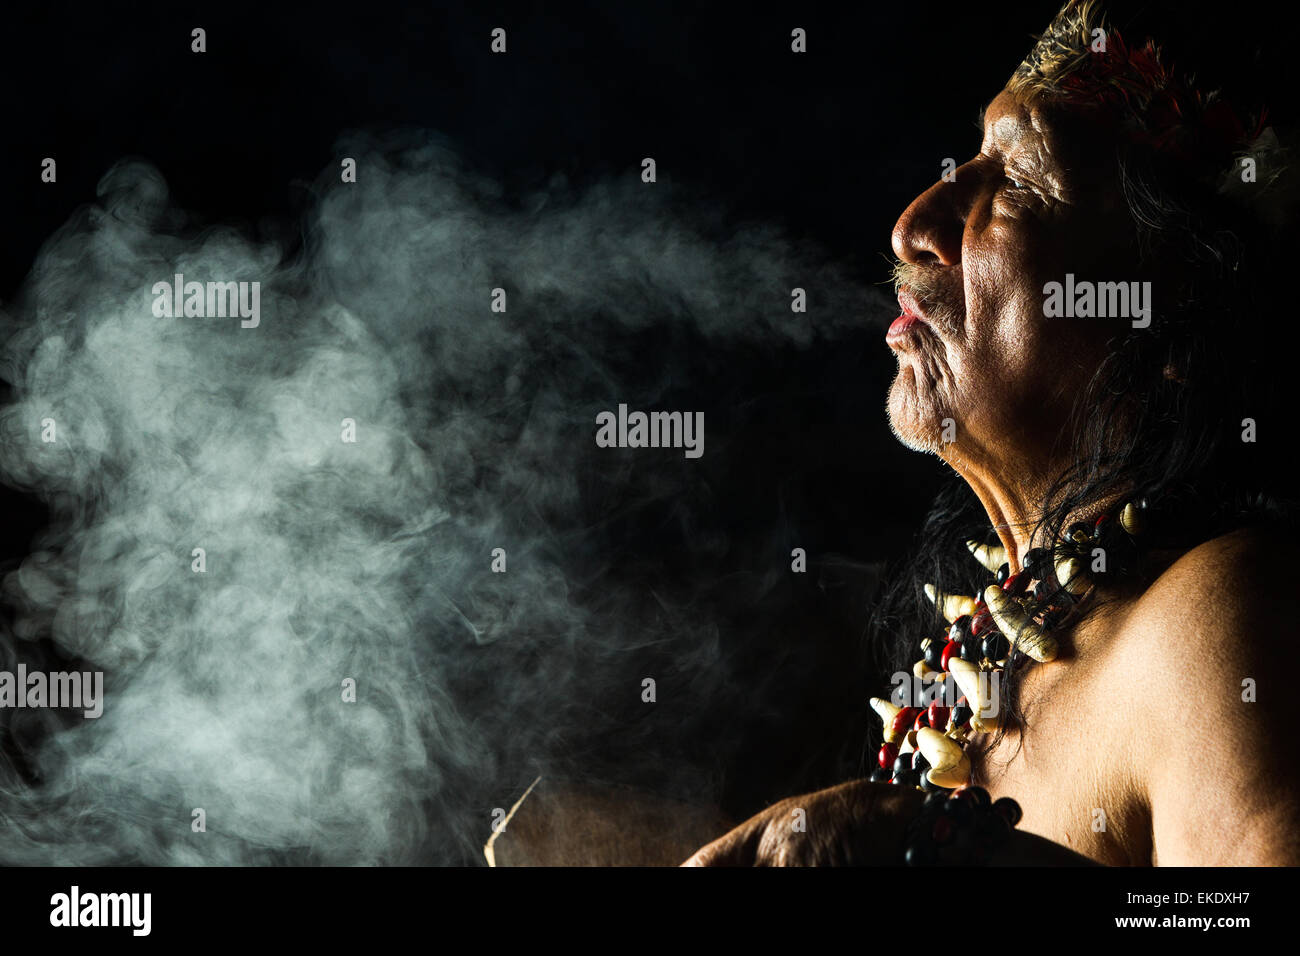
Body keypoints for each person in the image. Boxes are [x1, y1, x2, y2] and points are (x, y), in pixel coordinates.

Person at [685, 0, 1299, 866]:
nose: (913, 226)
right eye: (971, 159)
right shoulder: (971, 667)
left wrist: (944, 846)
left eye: (1017, 181)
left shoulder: (1220, 618)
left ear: (1173, 319)